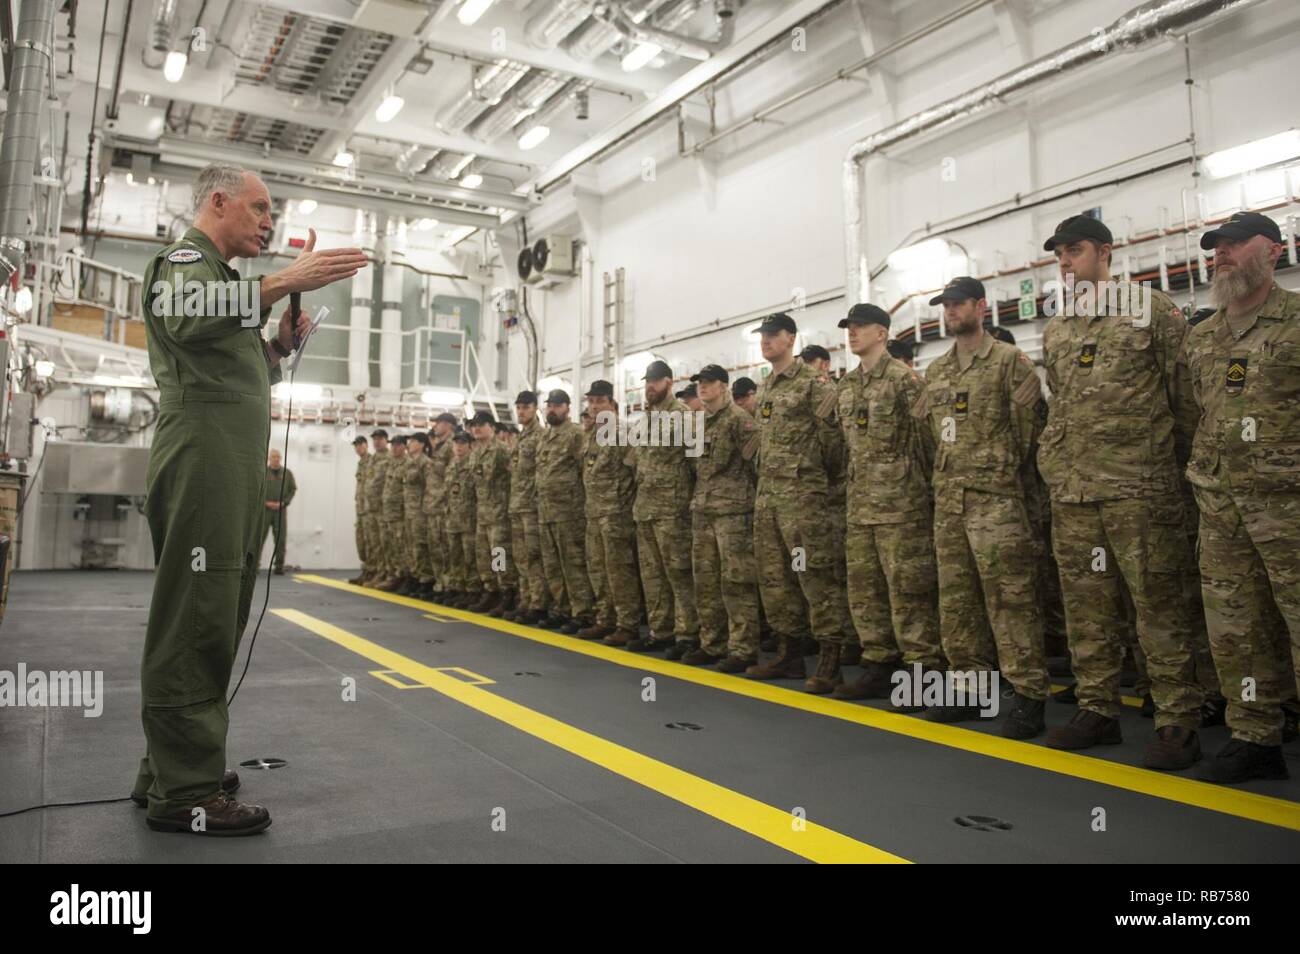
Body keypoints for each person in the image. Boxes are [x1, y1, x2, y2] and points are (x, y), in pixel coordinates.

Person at [132, 162, 366, 835]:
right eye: (260, 209)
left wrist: (275, 348)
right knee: (197, 614)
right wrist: (282, 283)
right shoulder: (186, 261)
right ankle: (183, 794)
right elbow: (183, 317)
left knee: (215, 608)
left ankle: (173, 767)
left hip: (224, 460)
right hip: (205, 456)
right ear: (219, 203)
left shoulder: (225, 282)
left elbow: (226, 358)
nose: (269, 223)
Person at [1036, 214, 1204, 770]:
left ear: (1105, 253)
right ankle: (1097, 709)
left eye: (1075, 250)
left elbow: (1186, 398)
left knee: (1158, 603)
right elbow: (1061, 401)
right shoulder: (1058, 328)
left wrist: (1177, 473)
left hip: (1141, 486)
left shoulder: (1150, 310)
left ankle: (1178, 717)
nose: (1065, 261)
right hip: (1076, 491)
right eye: (1059, 253)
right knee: (1088, 606)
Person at [1183, 211, 1300, 782]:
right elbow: (1198, 416)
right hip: (1221, 508)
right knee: (1235, 627)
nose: (1221, 254)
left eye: (1234, 244)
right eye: (1215, 247)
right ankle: (1255, 737)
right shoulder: (1202, 337)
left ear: (1275, 252)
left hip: (1288, 508)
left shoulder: (1297, 321)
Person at [916, 279, 1051, 738]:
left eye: (958, 304)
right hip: (950, 502)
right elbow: (928, 439)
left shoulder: (1010, 363)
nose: (951, 311)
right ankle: (972, 690)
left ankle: (1028, 694)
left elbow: (1029, 436)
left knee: (1010, 601)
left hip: (997, 501)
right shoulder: (936, 372)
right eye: (946, 306)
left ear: (980, 306)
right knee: (957, 602)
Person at [832, 303, 943, 705]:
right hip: (861, 505)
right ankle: (878, 663)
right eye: (849, 327)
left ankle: (923, 672)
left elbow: (929, 443)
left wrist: (923, 494)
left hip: (902, 506)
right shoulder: (846, 387)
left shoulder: (904, 381)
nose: (852, 333)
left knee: (908, 590)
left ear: (882, 333)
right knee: (865, 592)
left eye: (860, 327)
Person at [744, 313, 848, 692]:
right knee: (775, 578)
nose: (765, 341)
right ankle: (789, 653)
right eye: (763, 336)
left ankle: (830, 658)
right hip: (769, 497)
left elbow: (834, 443)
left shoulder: (814, 383)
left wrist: (814, 479)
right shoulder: (767, 384)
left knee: (814, 576)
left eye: (772, 335)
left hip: (803, 499)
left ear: (791, 338)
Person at [682, 365, 761, 671]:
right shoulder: (698, 424)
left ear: (724, 386)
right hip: (703, 511)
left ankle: (743, 648)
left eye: (709, 383)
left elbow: (757, 464)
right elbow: (694, 468)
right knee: (705, 581)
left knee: (736, 581)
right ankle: (711, 643)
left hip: (733, 513)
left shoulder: (740, 421)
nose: (703, 388)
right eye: (700, 383)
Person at [628, 361, 700, 657]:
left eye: (656, 381)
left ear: (669, 383)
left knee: (679, 573)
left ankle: (688, 634)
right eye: (648, 381)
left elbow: (696, 465)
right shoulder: (644, 419)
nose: (650, 387)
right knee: (652, 575)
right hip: (645, 508)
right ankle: (661, 630)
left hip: (673, 510)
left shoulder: (683, 417)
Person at [580, 380, 645, 645]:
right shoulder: (592, 434)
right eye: (591, 401)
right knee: (598, 569)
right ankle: (605, 619)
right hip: (594, 512)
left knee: (620, 571)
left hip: (616, 514)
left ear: (611, 403)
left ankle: (627, 624)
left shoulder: (624, 432)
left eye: (600, 401)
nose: (594, 406)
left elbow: (637, 471)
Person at [535, 390, 594, 631]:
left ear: (567, 408)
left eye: (557, 405)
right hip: (546, 511)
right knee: (552, 565)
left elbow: (585, 470)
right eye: (549, 405)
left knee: (573, 564)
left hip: (569, 512)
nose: (552, 409)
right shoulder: (545, 436)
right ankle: (562, 608)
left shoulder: (576, 434)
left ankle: (582, 612)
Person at [504, 392, 550, 623]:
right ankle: (524, 600)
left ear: (535, 409)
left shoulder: (540, 436)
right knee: (519, 557)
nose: (521, 412)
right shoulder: (520, 438)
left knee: (533, 557)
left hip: (531, 506)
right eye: (518, 407)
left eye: (525, 407)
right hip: (516, 506)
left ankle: (538, 603)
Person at [468, 411, 516, 614]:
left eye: (481, 424)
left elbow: (514, 479)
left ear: (492, 428)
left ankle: (508, 592)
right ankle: (491, 591)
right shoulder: (476, 452)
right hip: (483, 513)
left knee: (499, 555)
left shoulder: (502, 450)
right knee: (483, 555)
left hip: (499, 514)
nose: (476, 428)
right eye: (474, 425)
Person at [444, 432, 481, 607]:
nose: (458, 447)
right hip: (453, 520)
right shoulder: (452, 465)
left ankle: (474, 590)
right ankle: (458, 588)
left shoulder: (474, 464)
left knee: (472, 557)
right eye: (456, 443)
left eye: (462, 443)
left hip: (470, 520)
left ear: (470, 445)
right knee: (455, 556)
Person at [424, 415, 456, 599]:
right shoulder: (440, 447)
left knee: (447, 549)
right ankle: (441, 584)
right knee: (436, 548)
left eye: (438, 423)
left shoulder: (453, 446)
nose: (435, 426)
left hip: (445, 507)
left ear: (449, 425)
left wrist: (443, 500)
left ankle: (451, 585)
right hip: (434, 506)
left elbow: (451, 477)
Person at [402, 432, 435, 598]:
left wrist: (425, 509)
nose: (410, 443)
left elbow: (430, 488)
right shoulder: (409, 463)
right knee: (411, 546)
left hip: (420, 512)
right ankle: (414, 576)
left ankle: (425, 579)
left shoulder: (426, 463)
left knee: (421, 547)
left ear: (422, 444)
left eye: (413, 441)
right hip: (409, 511)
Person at [378, 435, 410, 592]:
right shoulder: (390, 464)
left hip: (400, 514)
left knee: (401, 547)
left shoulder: (407, 464)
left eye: (398, 445)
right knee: (390, 546)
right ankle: (393, 575)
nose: (394, 448)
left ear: (404, 446)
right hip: (388, 513)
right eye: (393, 445)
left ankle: (403, 576)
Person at [259, 448, 297, 576]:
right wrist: (264, 502)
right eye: (273, 457)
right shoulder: (263, 472)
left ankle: (279, 566)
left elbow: (293, 489)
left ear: (280, 458)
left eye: (278, 457)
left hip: (280, 511)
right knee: (258, 539)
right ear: (269, 458)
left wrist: (283, 503)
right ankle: (254, 566)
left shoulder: (287, 474)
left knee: (281, 540)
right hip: (265, 510)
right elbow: (257, 489)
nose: (276, 459)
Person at [363, 430, 392, 588]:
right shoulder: (372, 459)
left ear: (386, 440)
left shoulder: (389, 458)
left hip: (382, 509)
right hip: (370, 508)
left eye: (380, 439)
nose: (377, 442)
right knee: (374, 543)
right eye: (374, 439)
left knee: (384, 543)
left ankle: (385, 574)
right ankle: (377, 572)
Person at [348, 436, 370, 585]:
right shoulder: (361, 463)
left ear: (366, 445)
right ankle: (367, 571)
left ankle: (372, 572)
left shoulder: (371, 461)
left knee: (371, 543)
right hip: (361, 508)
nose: (358, 448)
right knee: (362, 542)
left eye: (360, 445)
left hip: (370, 509)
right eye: (356, 445)